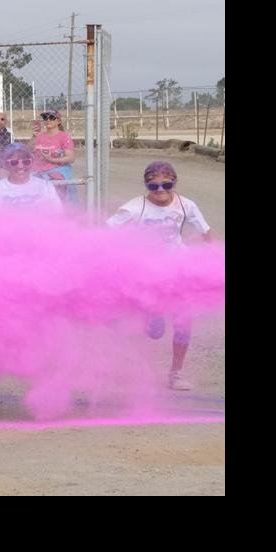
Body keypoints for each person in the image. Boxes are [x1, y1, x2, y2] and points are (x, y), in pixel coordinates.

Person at [104, 161, 215, 391]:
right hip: (147, 274)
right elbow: (107, 231)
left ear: (174, 181)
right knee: (155, 331)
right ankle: (147, 315)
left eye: (166, 184)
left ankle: (176, 373)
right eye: (153, 186)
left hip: (178, 268)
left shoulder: (186, 205)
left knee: (184, 320)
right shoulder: (134, 208)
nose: (161, 190)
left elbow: (206, 232)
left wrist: (214, 258)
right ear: (146, 185)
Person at [0, 144, 61, 214]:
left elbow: (57, 216)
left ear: (32, 163)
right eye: (14, 162)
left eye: (26, 162)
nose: (20, 166)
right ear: (6, 164)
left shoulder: (46, 186)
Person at [32, 110, 76, 200]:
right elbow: (28, 150)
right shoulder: (39, 136)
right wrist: (33, 137)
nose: (48, 120)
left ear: (58, 121)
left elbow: (71, 158)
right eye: (45, 118)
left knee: (55, 200)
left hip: (57, 172)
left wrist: (51, 159)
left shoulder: (64, 136)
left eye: (52, 118)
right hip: (39, 172)